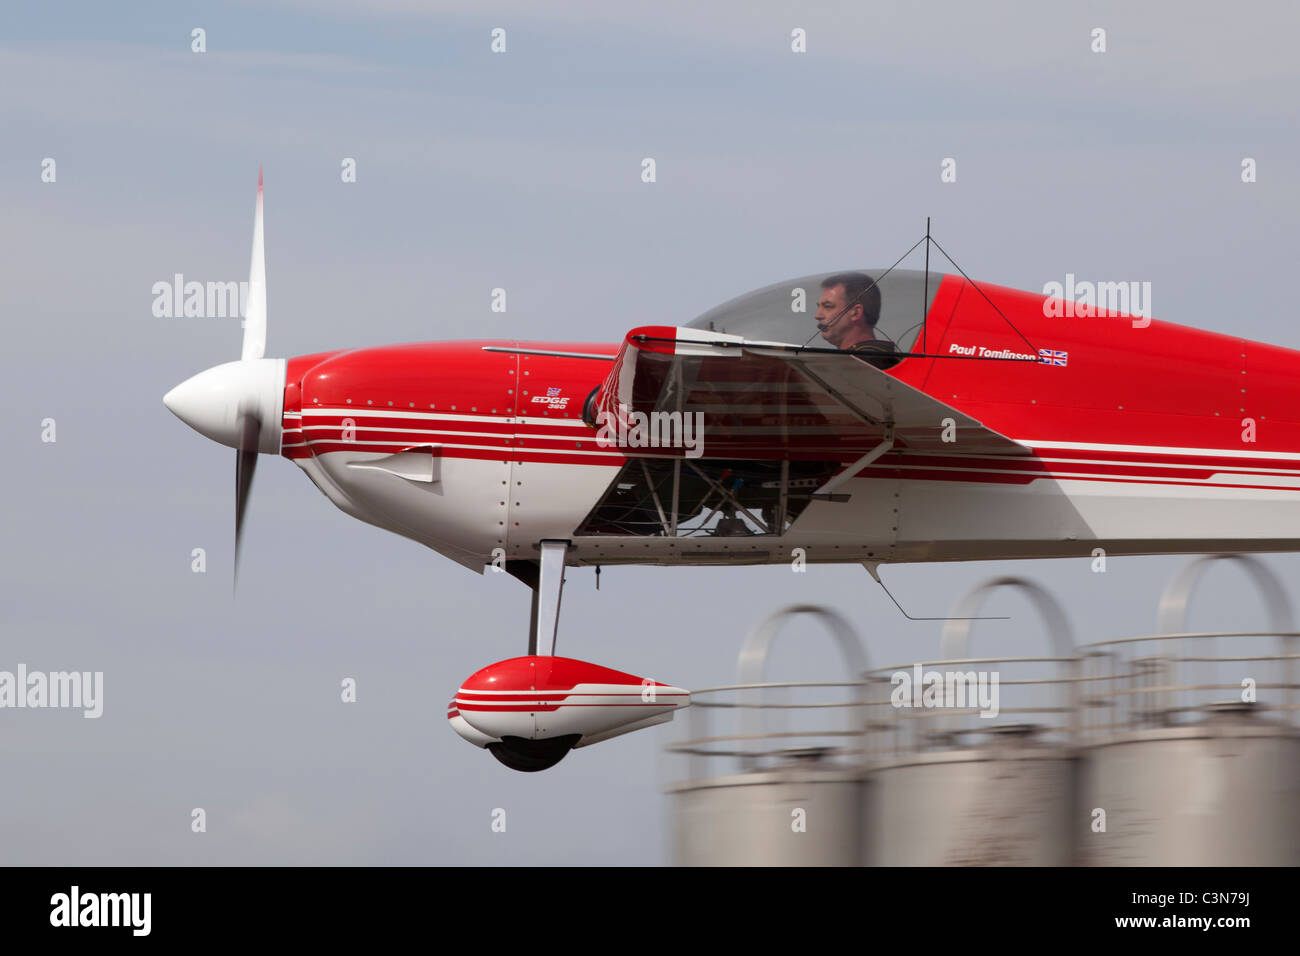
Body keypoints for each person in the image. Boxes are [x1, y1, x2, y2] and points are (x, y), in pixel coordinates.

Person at [814, 272, 900, 370]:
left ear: (855, 312)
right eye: (819, 307)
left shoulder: (868, 362)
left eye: (827, 306)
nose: (817, 315)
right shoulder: (857, 359)